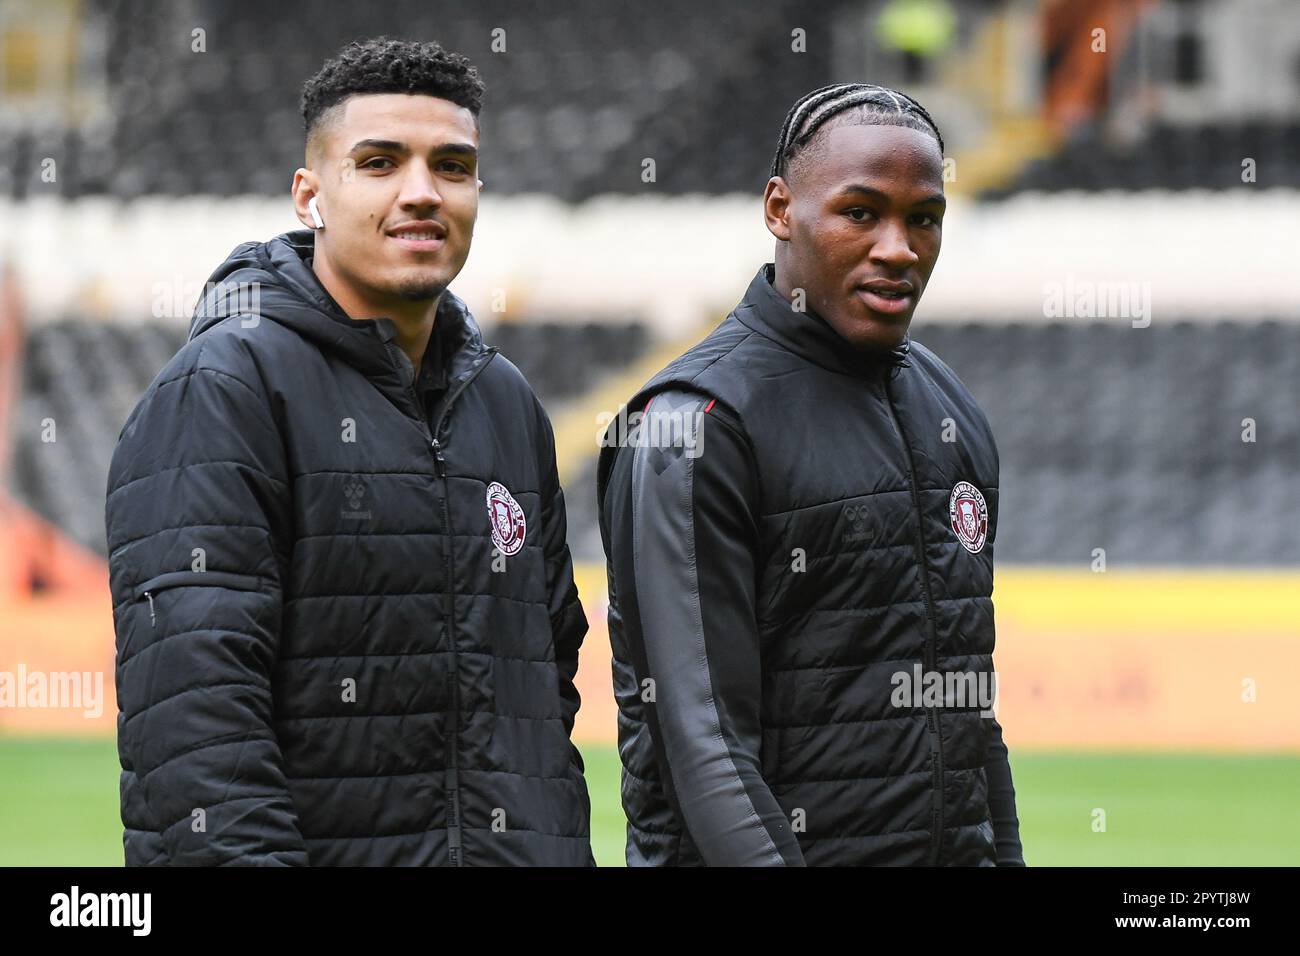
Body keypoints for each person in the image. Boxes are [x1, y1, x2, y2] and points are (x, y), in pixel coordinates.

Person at [106, 37, 591, 866]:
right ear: (311, 194)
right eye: (378, 163)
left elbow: (545, 682)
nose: (421, 193)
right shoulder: (226, 388)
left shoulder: (506, 403)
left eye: (452, 165)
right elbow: (196, 717)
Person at [597, 83, 1024, 866]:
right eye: (860, 213)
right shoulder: (693, 428)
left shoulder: (951, 410)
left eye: (923, 218)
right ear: (779, 209)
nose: (898, 247)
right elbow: (706, 749)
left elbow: (972, 723)